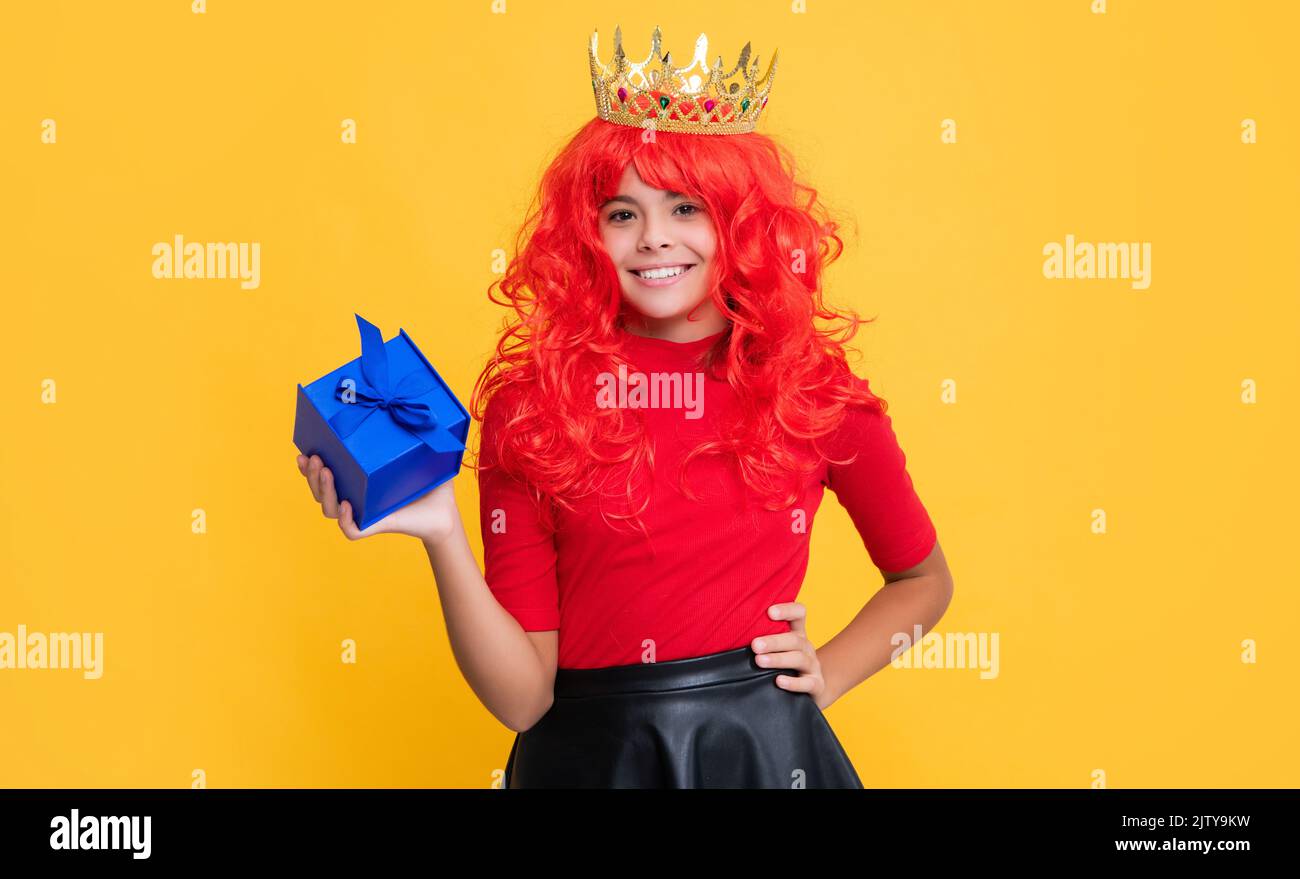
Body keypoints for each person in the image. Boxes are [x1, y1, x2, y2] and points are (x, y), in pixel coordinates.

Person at [294, 25, 954, 788]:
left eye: (686, 208)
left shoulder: (810, 389)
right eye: (621, 214)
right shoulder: (532, 406)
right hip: (586, 763)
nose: (652, 239)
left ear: (740, 223)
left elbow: (923, 580)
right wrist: (440, 528)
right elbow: (522, 698)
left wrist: (828, 676)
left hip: (760, 754)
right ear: (588, 233)